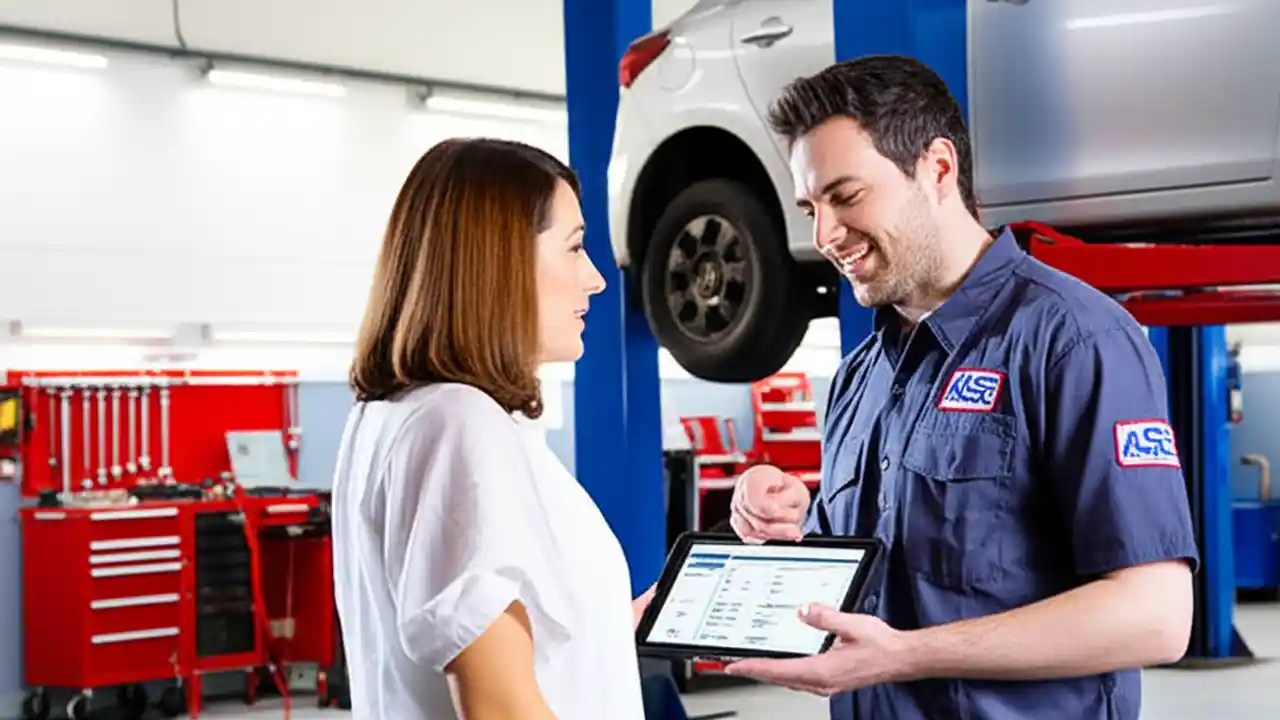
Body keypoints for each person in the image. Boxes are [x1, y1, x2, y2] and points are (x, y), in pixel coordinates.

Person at [721, 55, 1200, 720]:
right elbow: (882, 576)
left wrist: (906, 654)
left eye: (846, 197)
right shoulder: (860, 377)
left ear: (938, 169)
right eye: (810, 206)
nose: (822, 236)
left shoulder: (1073, 340)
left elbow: (1155, 617)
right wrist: (790, 526)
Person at [330, 138, 647, 720]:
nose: (595, 279)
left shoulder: (390, 417)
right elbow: (501, 705)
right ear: (499, 259)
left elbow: (493, 635)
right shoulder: (458, 423)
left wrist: (623, 619)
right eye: (574, 249)